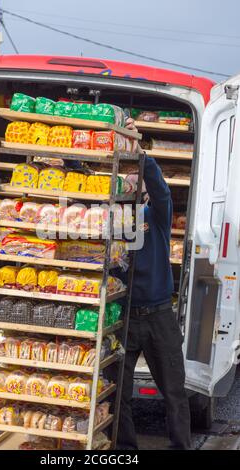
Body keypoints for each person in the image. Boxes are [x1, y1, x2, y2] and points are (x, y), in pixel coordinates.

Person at [111, 118, 192, 450]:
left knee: (174, 391)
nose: (132, 178)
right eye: (126, 174)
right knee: (117, 392)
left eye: (136, 174)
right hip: (126, 316)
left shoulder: (156, 213)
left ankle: (180, 447)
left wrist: (139, 151)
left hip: (159, 316)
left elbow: (160, 187)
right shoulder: (113, 219)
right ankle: (126, 450)